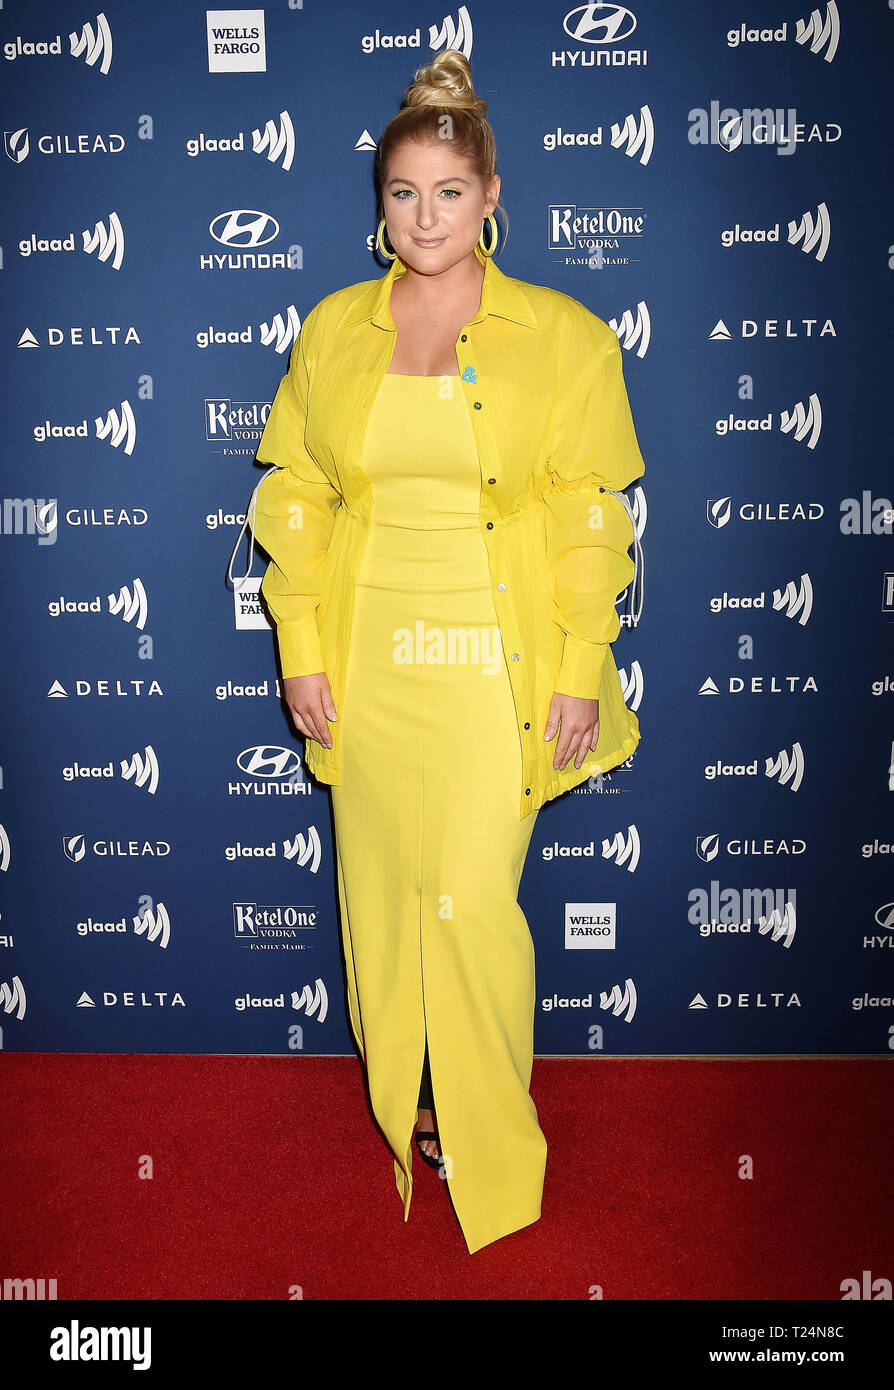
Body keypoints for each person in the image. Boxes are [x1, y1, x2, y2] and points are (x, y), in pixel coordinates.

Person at [228, 49, 646, 1254]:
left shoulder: (562, 337)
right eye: (403, 193)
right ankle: (417, 1094)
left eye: (449, 193)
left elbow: (585, 519)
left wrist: (577, 668)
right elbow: (297, 498)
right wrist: (300, 647)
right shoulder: (332, 333)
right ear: (379, 206)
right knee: (380, 905)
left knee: (470, 907)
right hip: (368, 663)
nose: (425, 217)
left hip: (494, 668)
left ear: (493, 194)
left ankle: (488, 1130)